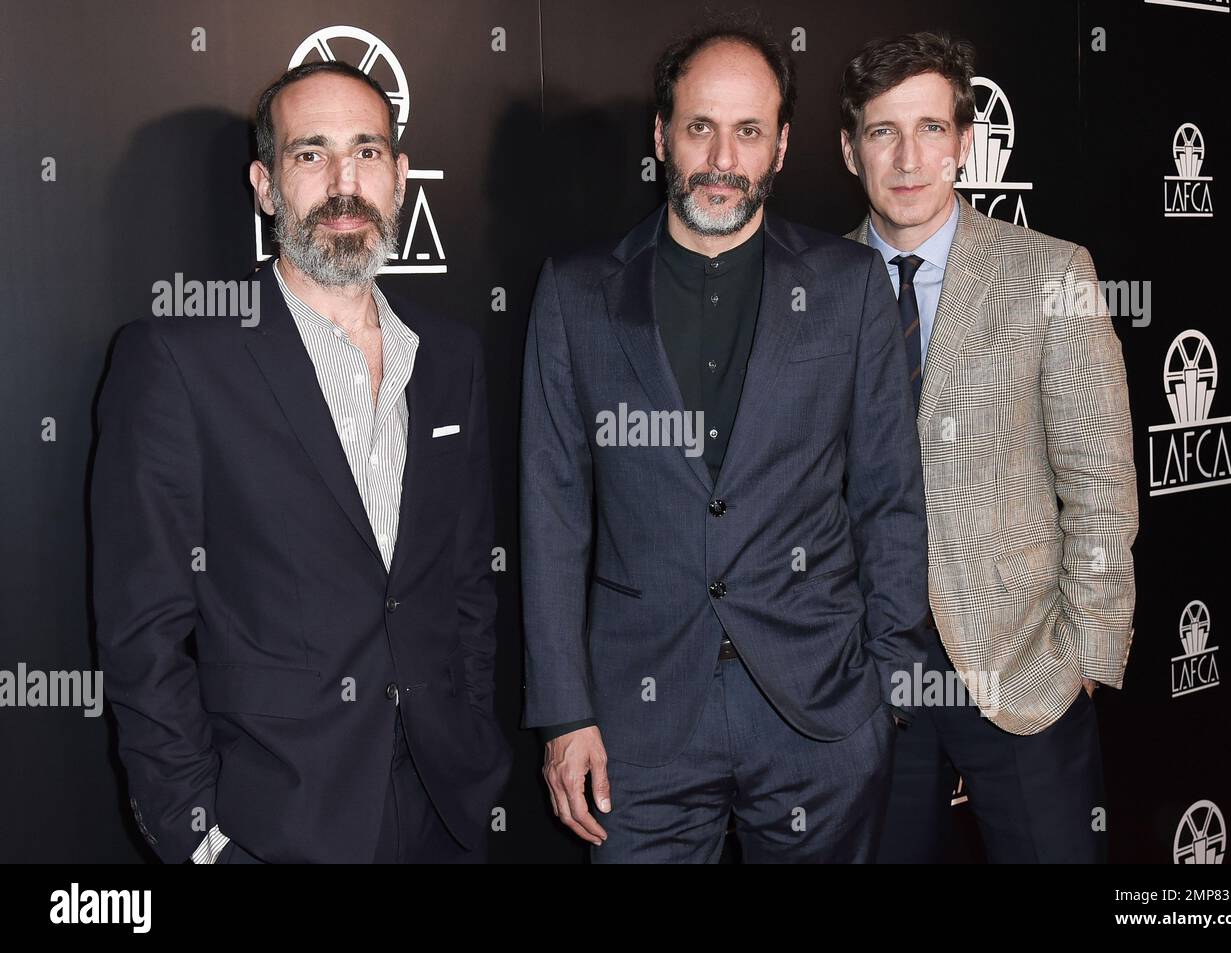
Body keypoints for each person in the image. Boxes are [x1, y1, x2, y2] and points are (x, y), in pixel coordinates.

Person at [520, 19, 929, 862]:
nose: (721, 157)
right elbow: (551, 515)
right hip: (638, 723)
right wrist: (564, 712)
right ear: (662, 135)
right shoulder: (575, 295)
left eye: (748, 131)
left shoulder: (849, 287)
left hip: (820, 715)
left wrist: (885, 690)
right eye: (700, 126)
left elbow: (890, 494)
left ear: (781, 147)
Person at [92, 61, 509, 863]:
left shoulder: (449, 355)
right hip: (275, 823)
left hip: (445, 810)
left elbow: (465, 585)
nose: (344, 182)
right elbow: (142, 628)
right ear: (265, 183)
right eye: (311, 154)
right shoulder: (179, 360)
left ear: (399, 177)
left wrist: (474, 745)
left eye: (368, 152)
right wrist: (200, 838)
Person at [840, 32, 1138, 862]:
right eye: (882, 131)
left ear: (965, 143)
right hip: (868, 685)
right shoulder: (810, 288)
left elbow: (1102, 477)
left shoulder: (1052, 270)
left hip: (1021, 666)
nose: (907, 158)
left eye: (931, 129)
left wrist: (1087, 651)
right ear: (848, 147)